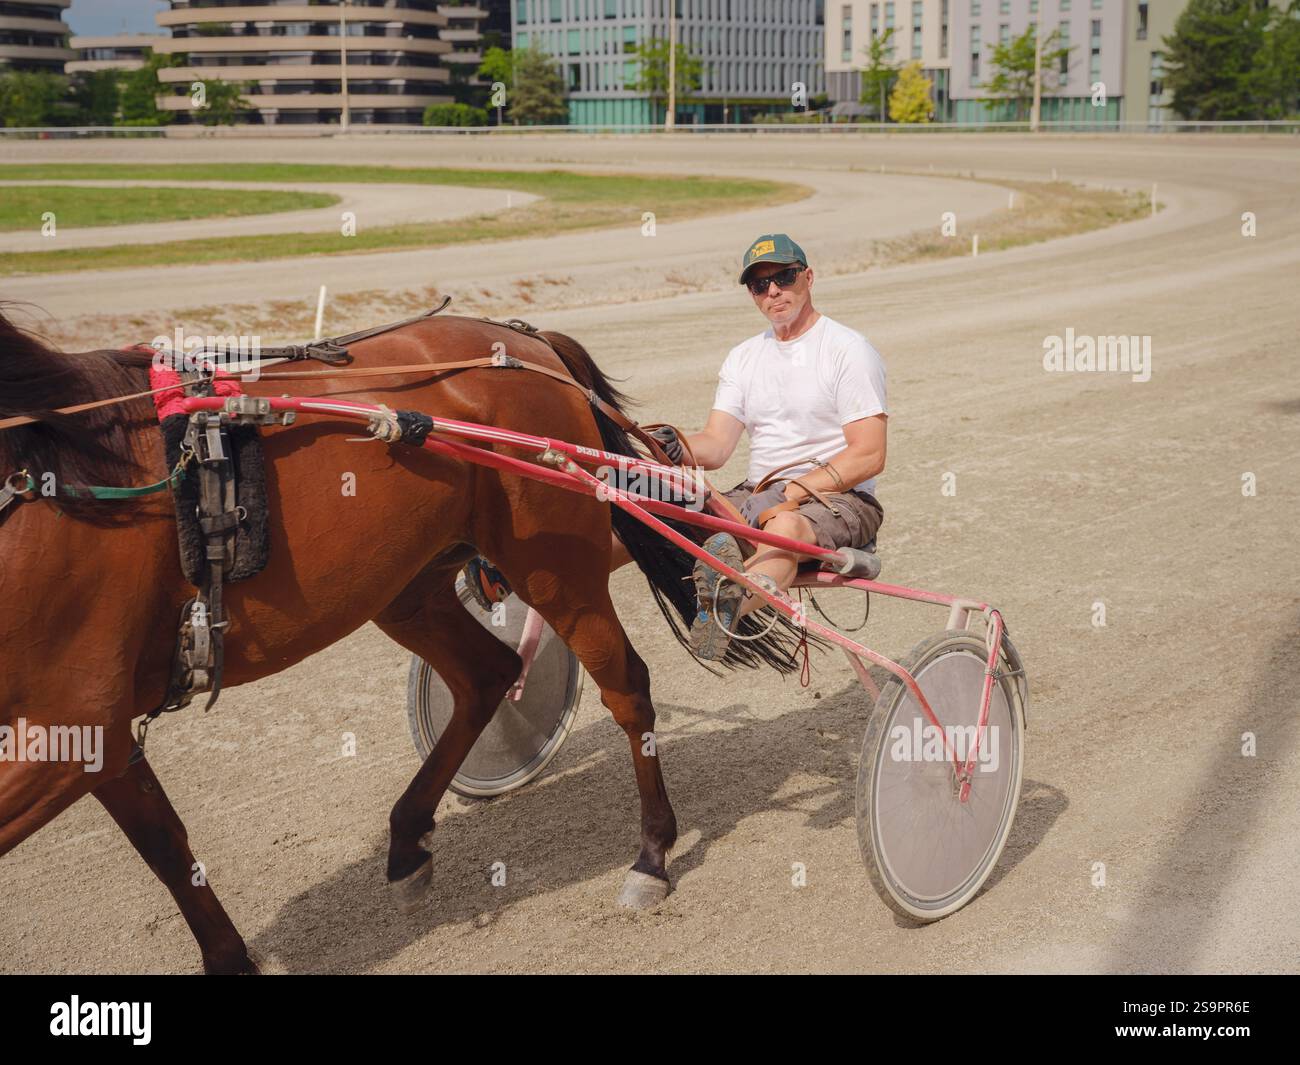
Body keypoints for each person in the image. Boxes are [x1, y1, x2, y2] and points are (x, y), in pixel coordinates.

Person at [465, 233, 888, 664]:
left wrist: (789, 496)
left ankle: (724, 613)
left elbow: (868, 454)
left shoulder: (847, 350)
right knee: (650, 504)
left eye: (784, 276)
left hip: (838, 501)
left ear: (808, 277)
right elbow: (717, 446)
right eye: (760, 285)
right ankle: (531, 572)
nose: (774, 290)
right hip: (756, 493)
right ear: (752, 294)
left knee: (783, 530)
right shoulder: (745, 357)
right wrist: (676, 447)